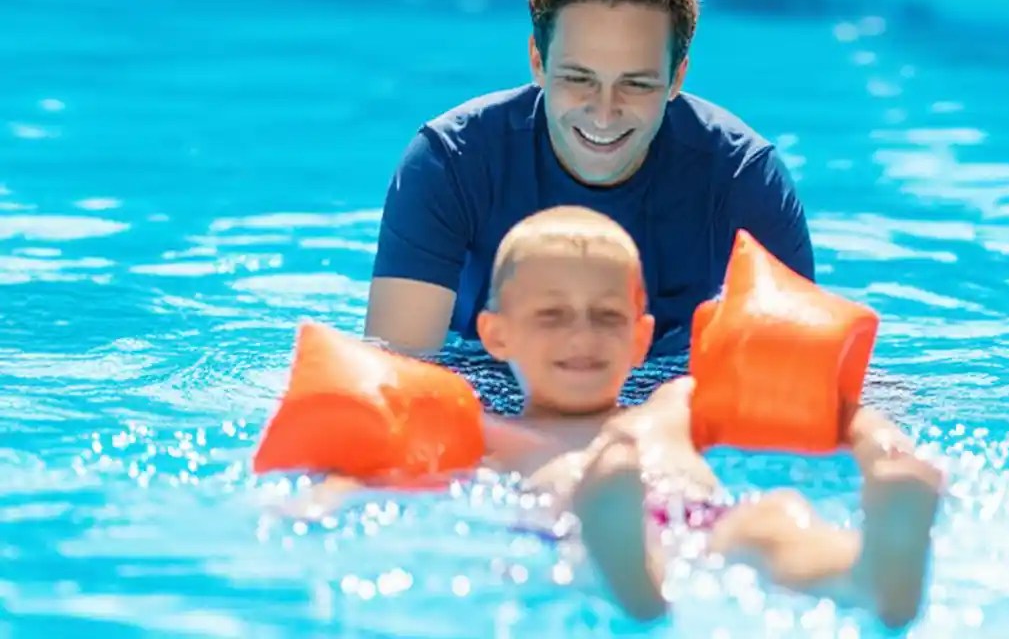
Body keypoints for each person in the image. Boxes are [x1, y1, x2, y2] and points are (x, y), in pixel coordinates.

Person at [299, 207, 943, 630]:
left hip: (704, 520)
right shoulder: (482, 429)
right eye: (552, 315)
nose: (582, 336)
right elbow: (380, 466)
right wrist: (328, 495)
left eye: (606, 317)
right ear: (495, 335)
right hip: (585, 528)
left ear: (639, 339)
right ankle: (633, 576)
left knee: (772, 518)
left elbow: (832, 409)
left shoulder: (674, 403)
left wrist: (881, 448)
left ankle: (874, 574)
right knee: (587, 542)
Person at [364, 0, 814, 359]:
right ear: (537, 62)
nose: (603, 112)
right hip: (484, 380)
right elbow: (399, 378)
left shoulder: (741, 179)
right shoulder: (452, 164)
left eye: (636, 84)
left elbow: (797, 379)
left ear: (677, 77)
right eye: (579, 79)